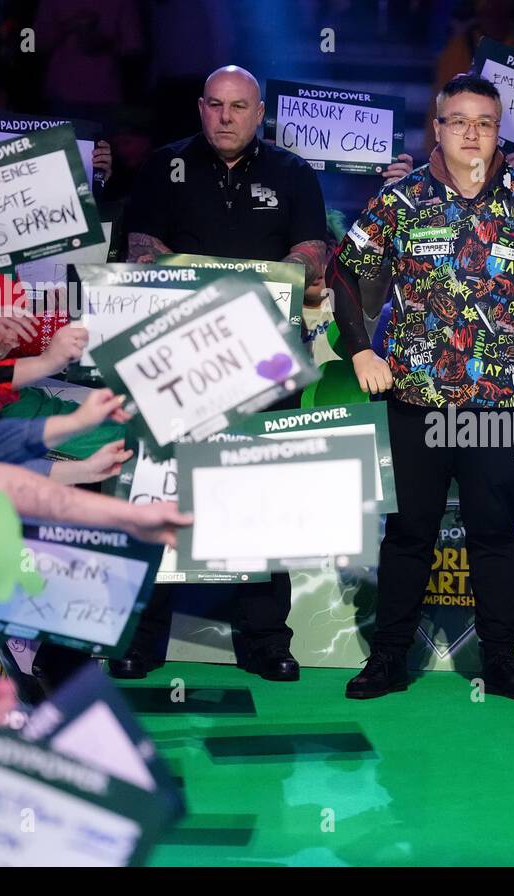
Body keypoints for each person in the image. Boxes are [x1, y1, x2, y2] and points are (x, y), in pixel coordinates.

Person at [327, 73, 514, 703]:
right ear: (438, 127)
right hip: (416, 402)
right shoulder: (401, 201)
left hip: (498, 407)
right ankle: (388, 658)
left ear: (499, 129)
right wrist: (361, 346)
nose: (471, 132)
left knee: (494, 535)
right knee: (409, 534)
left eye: (485, 122)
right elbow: (344, 269)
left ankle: (502, 662)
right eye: (459, 121)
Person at [115, 65, 330, 683]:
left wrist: (233, 288)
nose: (226, 117)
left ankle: (265, 641)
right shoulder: (163, 166)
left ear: (260, 112)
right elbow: (142, 255)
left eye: (239, 106)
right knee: (158, 492)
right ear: (201, 108)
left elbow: (311, 261)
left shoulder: (293, 173)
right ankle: (141, 637)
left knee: (261, 499)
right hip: (177, 360)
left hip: (264, 359)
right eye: (215, 105)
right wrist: (241, 284)